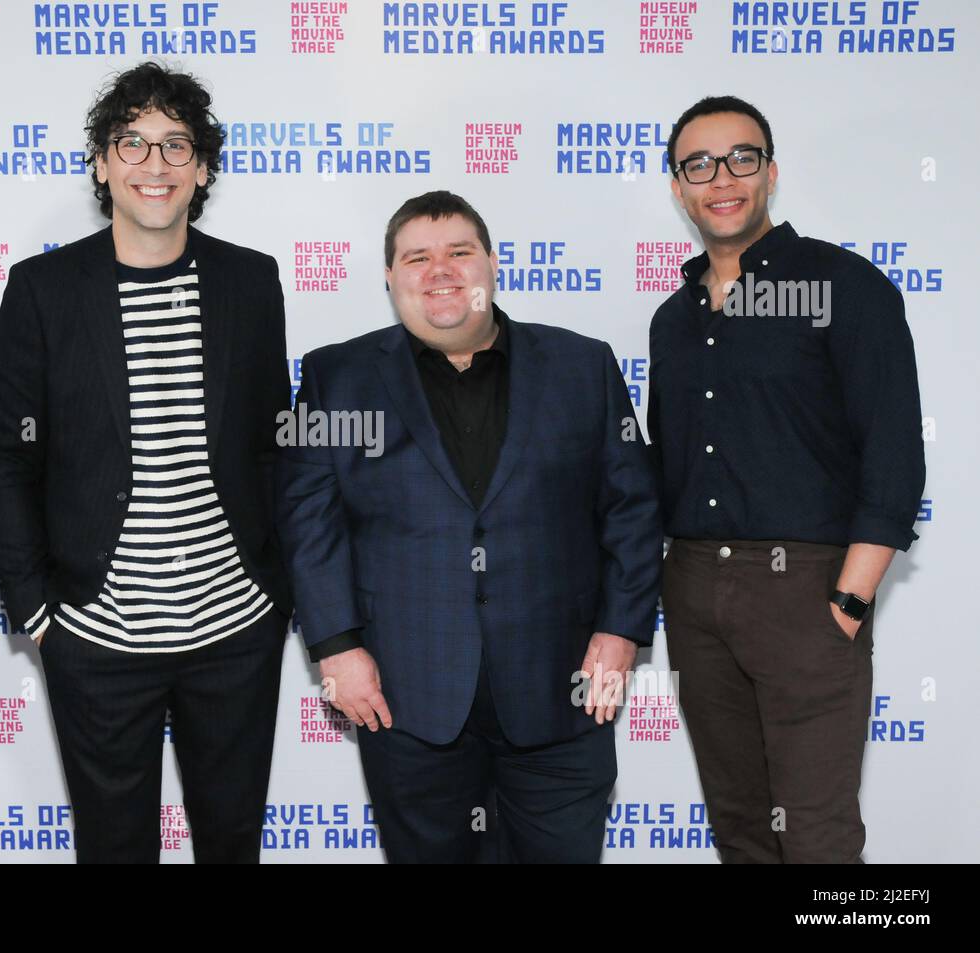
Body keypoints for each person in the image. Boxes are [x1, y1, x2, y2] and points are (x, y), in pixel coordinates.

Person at [275, 190, 662, 863]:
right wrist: (336, 646)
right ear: (390, 278)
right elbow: (311, 522)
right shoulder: (336, 377)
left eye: (459, 252)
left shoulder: (582, 366)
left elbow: (632, 509)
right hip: (404, 698)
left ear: (492, 264)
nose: (440, 269)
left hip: (563, 692)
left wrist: (623, 627)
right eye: (416, 257)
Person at [0, 61, 292, 863]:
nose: (154, 165)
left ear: (204, 168)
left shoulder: (251, 282)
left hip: (236, 629)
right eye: (133, 143)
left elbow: (273, 442)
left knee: (231, 842)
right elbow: (6, 456)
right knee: (115, 848)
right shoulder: (42, 289)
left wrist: (276, 591)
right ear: (101, 163)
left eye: (175, 145)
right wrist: (38, 611)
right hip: (96, 633)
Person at [648, 95, 926, 863]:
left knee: (816, 835)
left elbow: (895, 453)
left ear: (770, 172)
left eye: (741, 158)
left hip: (808, 590)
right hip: (695, 589)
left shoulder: (844, 284)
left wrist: (848, 599)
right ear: (679, 187)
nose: (721, 178)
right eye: (697, 164)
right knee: (740, 828)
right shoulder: (672, 318)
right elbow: (657, 465)